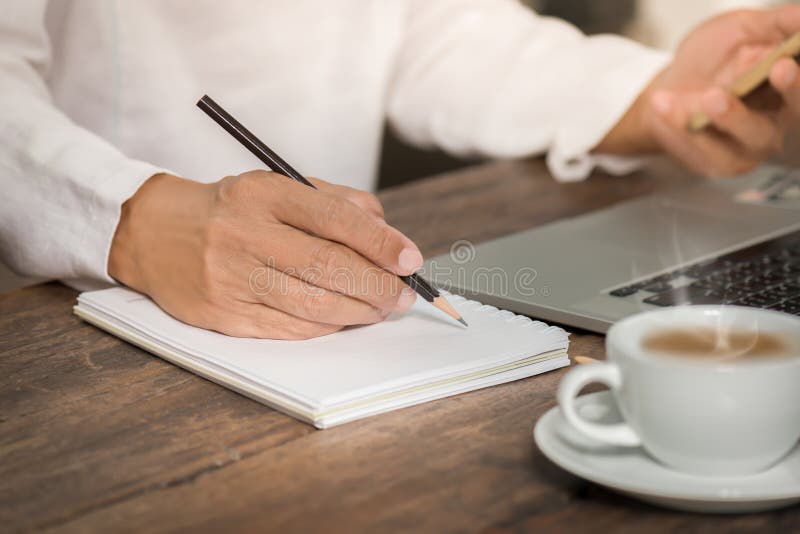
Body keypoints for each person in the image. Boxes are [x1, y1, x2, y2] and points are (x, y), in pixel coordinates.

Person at [1, 1, 799, 339]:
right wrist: (128, 217)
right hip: (67, 319)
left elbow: (432, 28)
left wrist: (662, 98)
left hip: (334, 331)